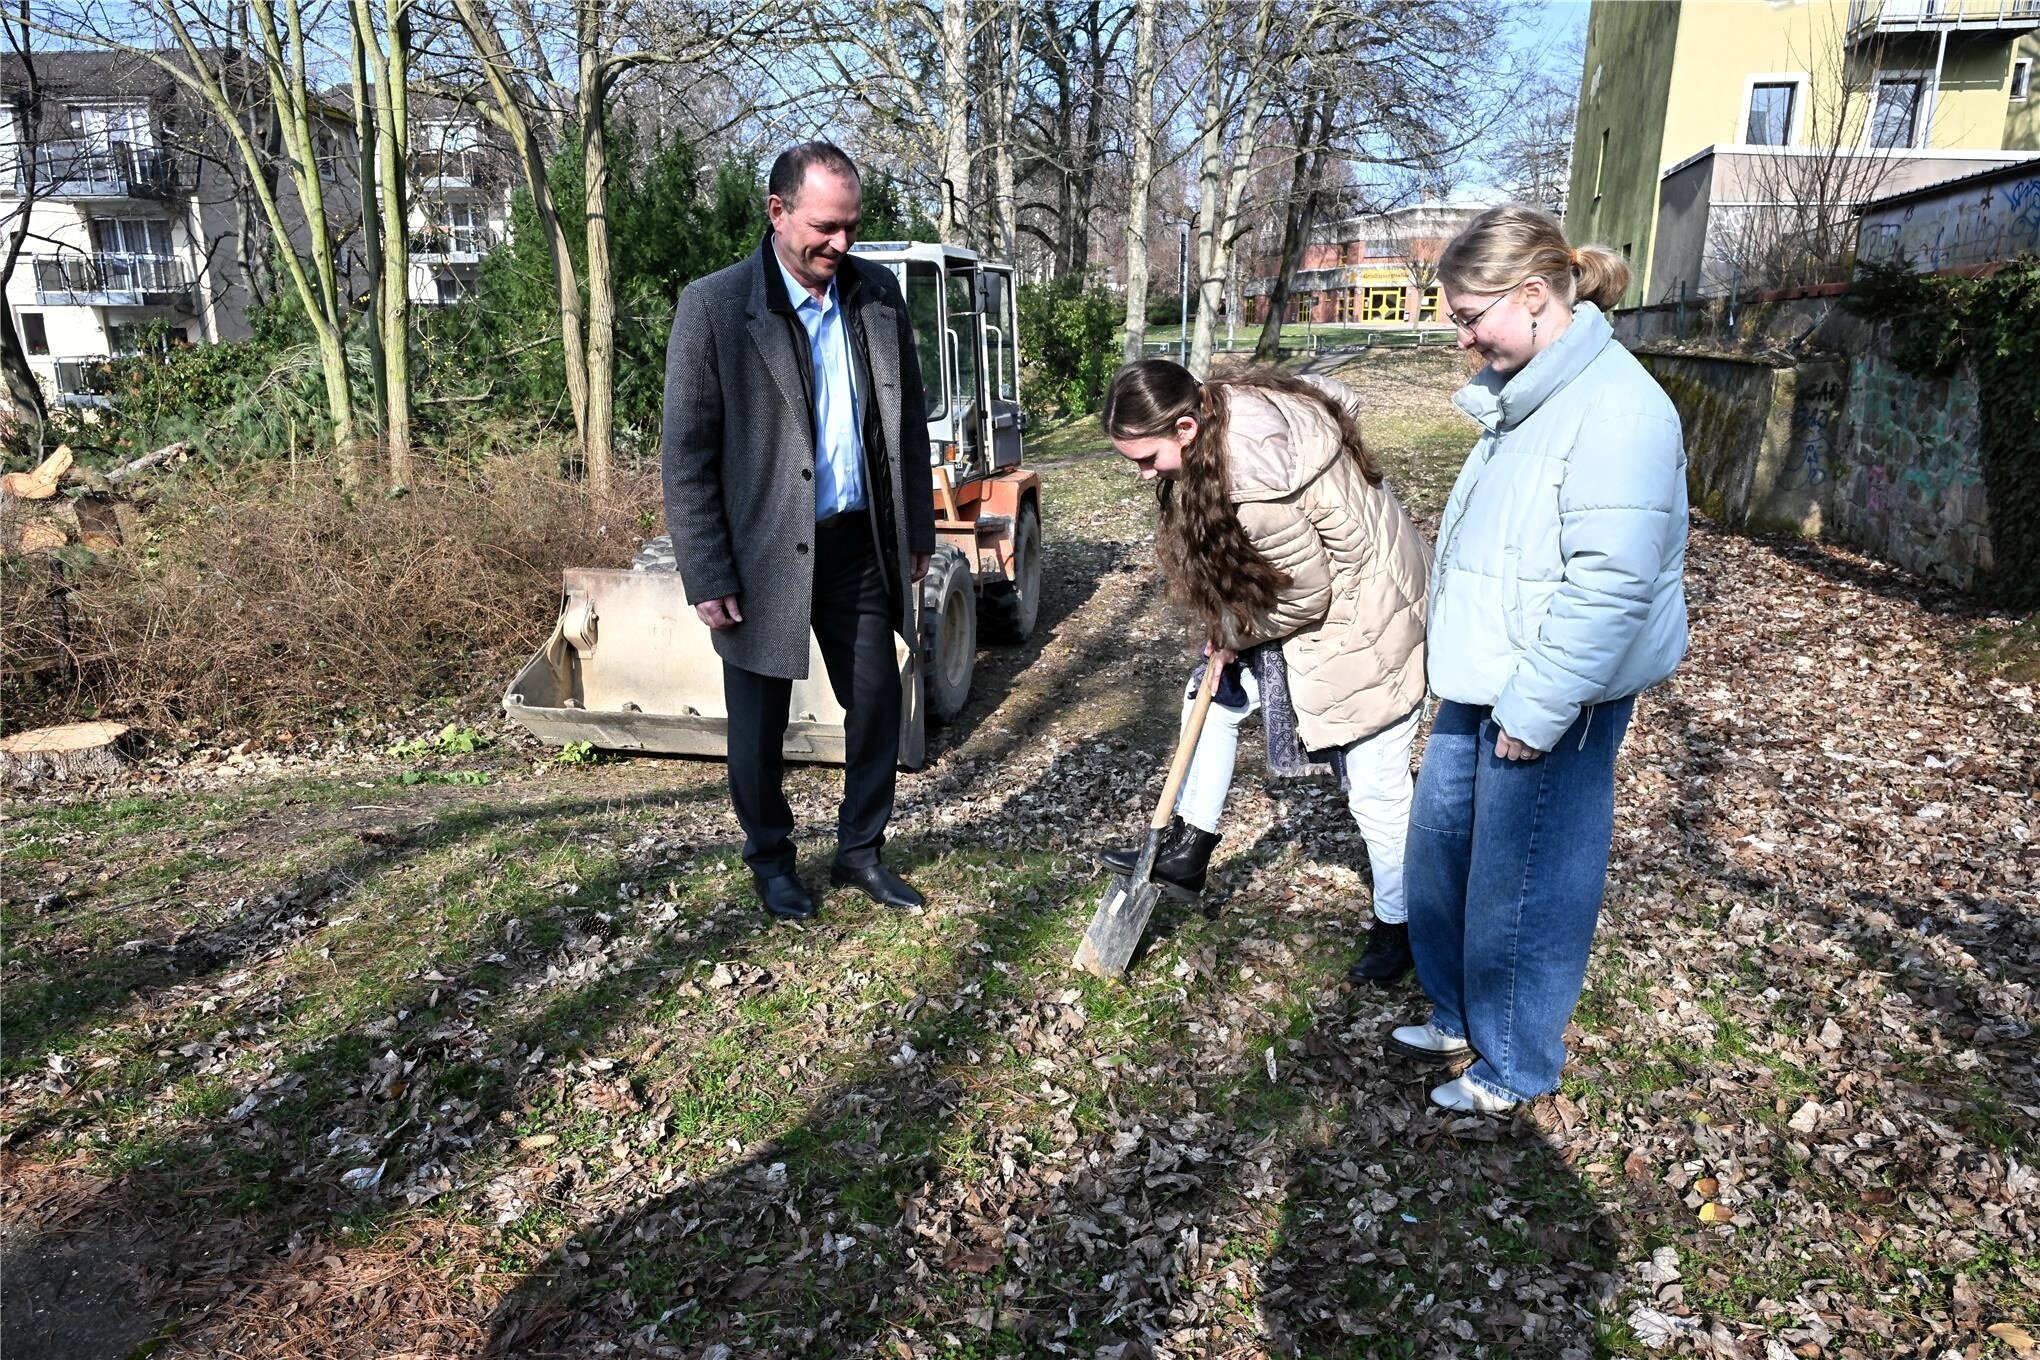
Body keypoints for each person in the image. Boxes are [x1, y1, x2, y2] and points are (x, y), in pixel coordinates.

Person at [1392, 204, 1689, 1113]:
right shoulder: (1525, 397)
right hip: (1484, 676)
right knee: (1441, 853)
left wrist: (1538, 708)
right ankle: (1456, 1010)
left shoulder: (1620, 409)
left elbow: (1610, 586)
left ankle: (1515, 1061)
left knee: (1524, 885)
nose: (1460, 336)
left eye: (1468, 315)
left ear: (1531, 296)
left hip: (1554, 692)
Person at [661, 141, 936, 922]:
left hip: (859, 545)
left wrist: (916, 527)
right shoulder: (714, 307)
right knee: (758, 726)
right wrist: (706, 571)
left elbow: (907, 426)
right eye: (825, 227)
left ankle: (860, 852)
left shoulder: (876, 294)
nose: (840, 245)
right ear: (777, 212)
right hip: (759, 556)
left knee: (880, 702)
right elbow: (685, 455)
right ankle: (772, 862)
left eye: (851, 227)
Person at [1098, 360, 1431, 982]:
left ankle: (1404, 925)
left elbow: (1306, 596)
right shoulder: (1224, 410)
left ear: (1189, 427)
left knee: (1376, 789)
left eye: (1148, 459)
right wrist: (1228, 635)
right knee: (1213, 695)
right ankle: (1189, 851)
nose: (1144, 475)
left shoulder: (1253, 488)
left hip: (1366, 623)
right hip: (1343, 594)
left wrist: (1233, 632)